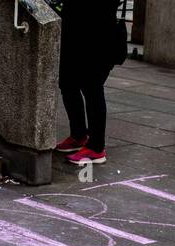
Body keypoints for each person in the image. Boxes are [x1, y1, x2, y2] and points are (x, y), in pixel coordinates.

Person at [55, 0, 125, 167]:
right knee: (68, 84)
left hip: (96, 38)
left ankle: (96, 148)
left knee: (92, 89)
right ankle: (78, 135)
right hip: (75, 35)